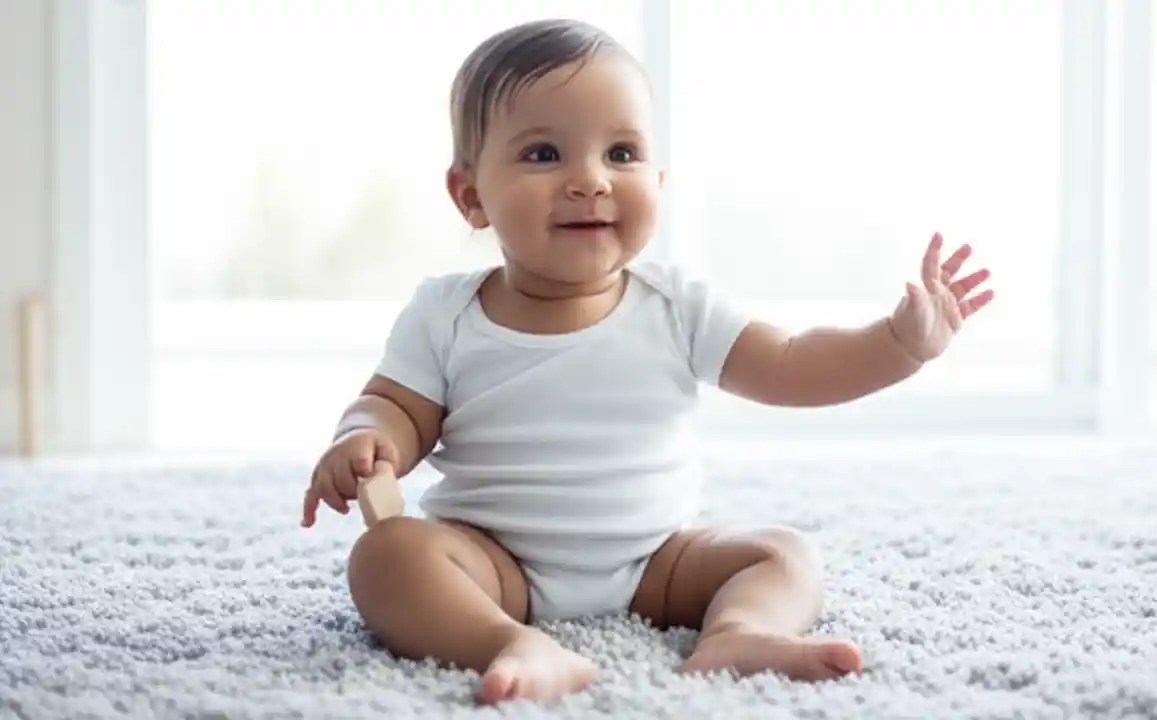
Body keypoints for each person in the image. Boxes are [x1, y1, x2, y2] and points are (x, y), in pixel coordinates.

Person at [300, 18, 994, 706]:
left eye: (622, 154)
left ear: (659, 179)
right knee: (388, 556)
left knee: (784, 555)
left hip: (656, 563)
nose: (591, 180)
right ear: (471, 195)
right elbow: (396, 406)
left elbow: (791, 364)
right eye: (544, 154)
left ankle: (740, 630)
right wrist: (365, 438)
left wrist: (897, 344)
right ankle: (506, 641)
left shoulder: (675, 305)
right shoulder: (445, 313)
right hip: (494, 562)